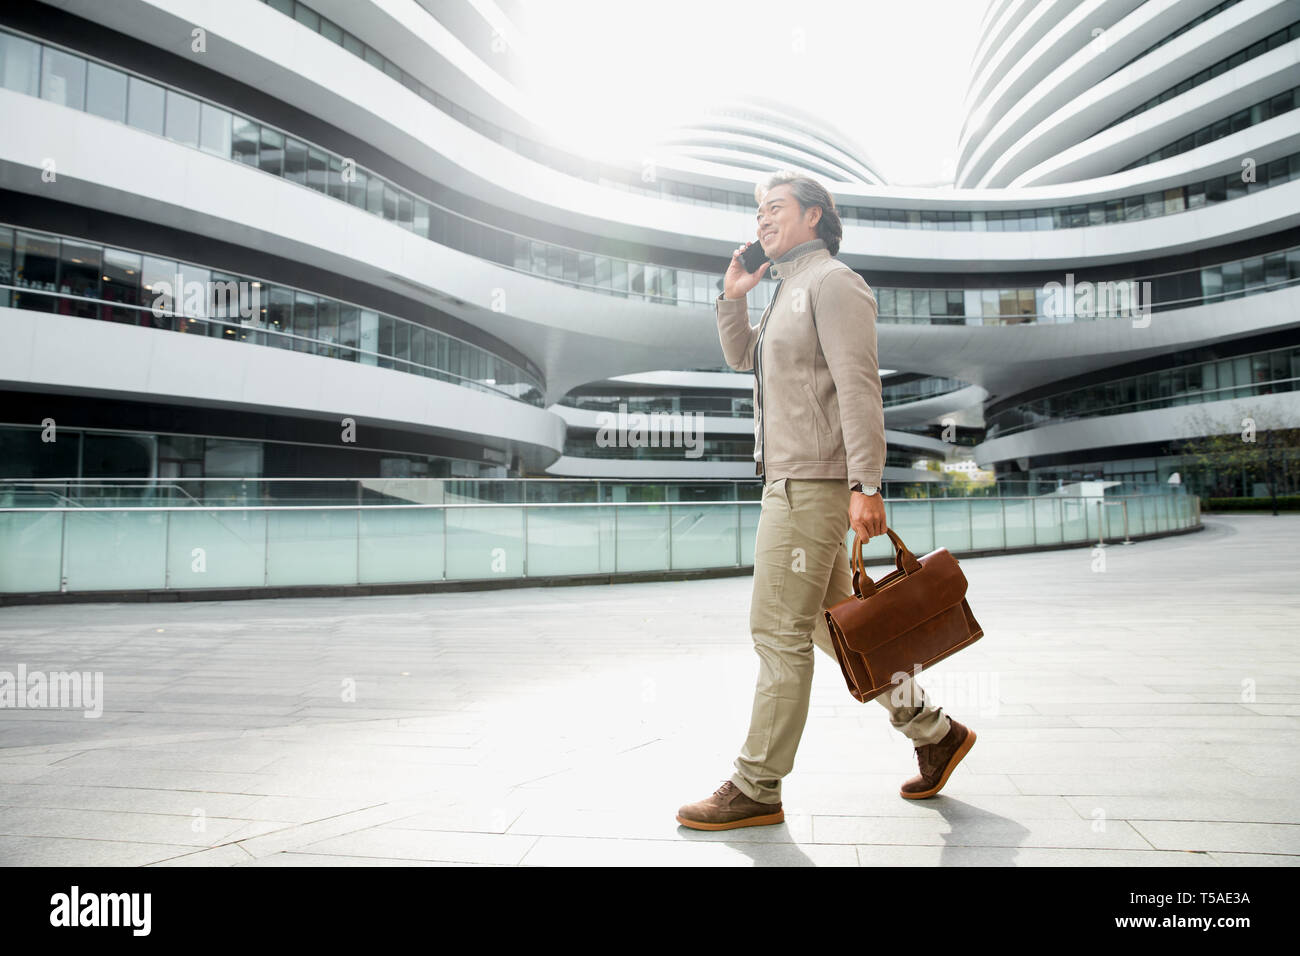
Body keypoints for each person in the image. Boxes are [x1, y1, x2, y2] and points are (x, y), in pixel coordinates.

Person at [676, 172, 976, 831]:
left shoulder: (832, 283)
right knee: (838, 630)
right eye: (758, 211)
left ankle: (757, 786)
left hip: (812, 487)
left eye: (775, 208)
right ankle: (935, 733)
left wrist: (867, 485)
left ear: (814, 216)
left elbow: (858, 386)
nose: (762, 220)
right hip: (788, 481)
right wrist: (733, 298)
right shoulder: (786, 290)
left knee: (776, 631)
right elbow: (742, 358)